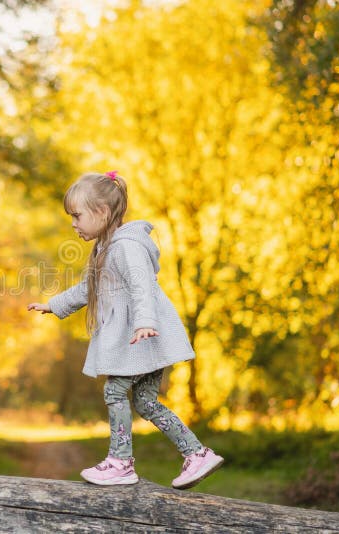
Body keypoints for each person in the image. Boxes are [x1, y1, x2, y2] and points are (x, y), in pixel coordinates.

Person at [27, 171, 223, 489]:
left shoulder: (126, 247)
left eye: (77, 215)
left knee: (114, 391)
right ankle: (197, 454)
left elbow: (141, 286)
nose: (73, 223)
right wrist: (54, 305)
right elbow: (87, 288)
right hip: (142, 337)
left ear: (102, 212)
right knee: (145, 402)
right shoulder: (106, 250)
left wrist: (146, 321)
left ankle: (120, 462)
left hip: (141, 335)